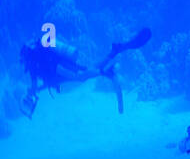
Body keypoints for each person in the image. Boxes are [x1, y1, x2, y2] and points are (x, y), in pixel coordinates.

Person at [17, 28, 150, 117]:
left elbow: (35, 83)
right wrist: (38, 89)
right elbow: (47, 82)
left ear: (25, 57)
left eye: (22, 60)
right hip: (60, 67)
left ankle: (105, 71)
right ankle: (113, 53)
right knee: (87, 70)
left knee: (81, 77)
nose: (22, 62)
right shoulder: (36, 59)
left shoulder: (32, 65)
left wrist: (31, 92)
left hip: (59, 69)